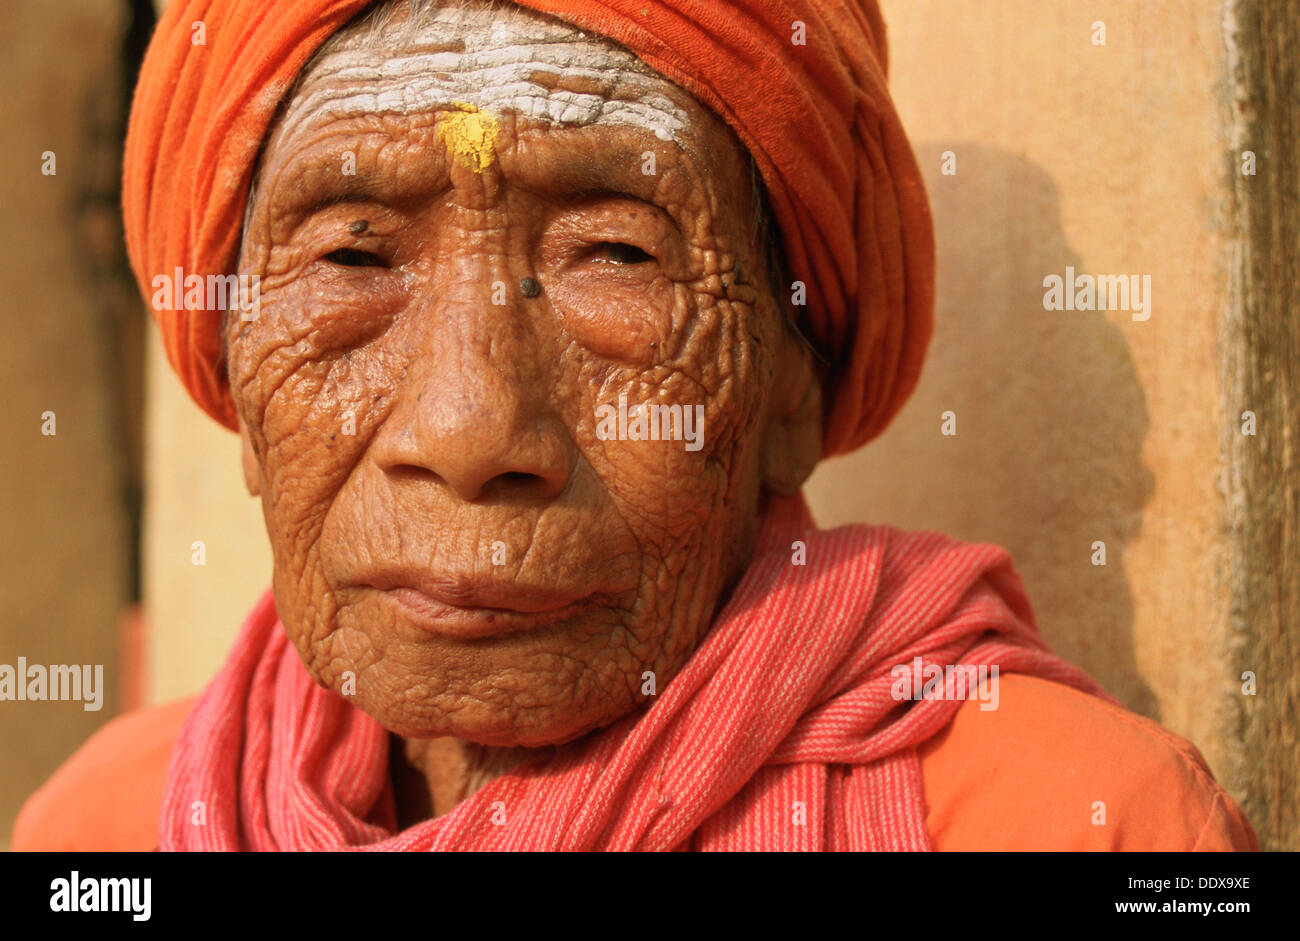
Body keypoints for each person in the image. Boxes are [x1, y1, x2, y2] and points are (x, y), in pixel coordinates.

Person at [13, 0, 1256, 851]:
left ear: (794, 387)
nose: (468, 427)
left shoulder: (1080, 820)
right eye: (351, 253)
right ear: (231, 374)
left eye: (614, 251)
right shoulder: (109, 829)